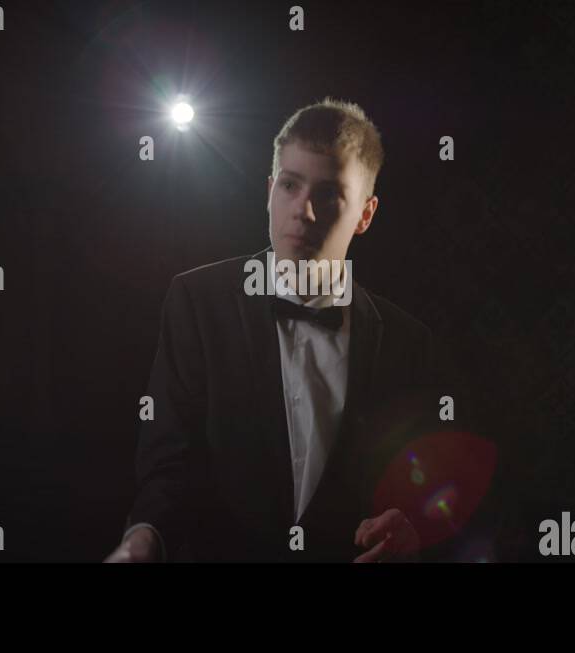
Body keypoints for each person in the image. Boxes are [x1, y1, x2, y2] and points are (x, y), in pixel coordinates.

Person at [105, 97, 495, 563]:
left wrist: (412, 535)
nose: (303, 210)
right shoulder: (196, 301)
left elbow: (429, 491)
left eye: (328, 193)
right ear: (270, 189)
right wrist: (143, 539)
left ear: (366, 214)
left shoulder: (408, 343)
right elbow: (170, 464)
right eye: (290, 185)